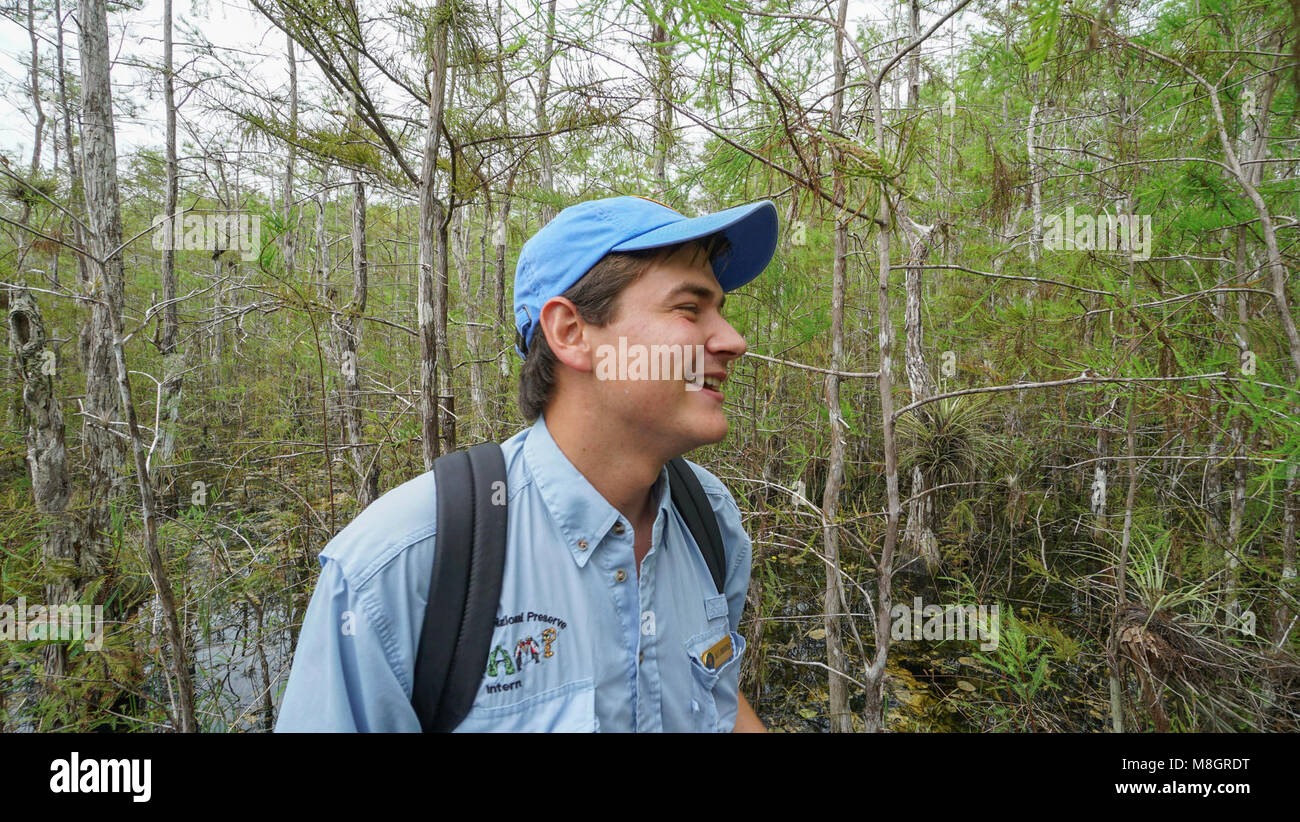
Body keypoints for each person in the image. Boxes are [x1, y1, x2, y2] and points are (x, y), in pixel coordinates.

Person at [275, 195, 776, 732]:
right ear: (571, 333)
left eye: (721, 311)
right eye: (689, 308)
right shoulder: (397, 565)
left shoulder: (710, 520)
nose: (734, 341)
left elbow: (720, 697)